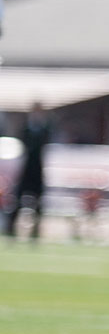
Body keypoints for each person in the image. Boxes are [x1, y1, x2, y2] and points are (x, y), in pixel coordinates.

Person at [3, 103, 52, 241]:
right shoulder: (25, 128)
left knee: (38, 204)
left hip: (38, 171)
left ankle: (35, 232)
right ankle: (11, 229)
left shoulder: (45, 129)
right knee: (17, 202)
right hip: (25, 171)